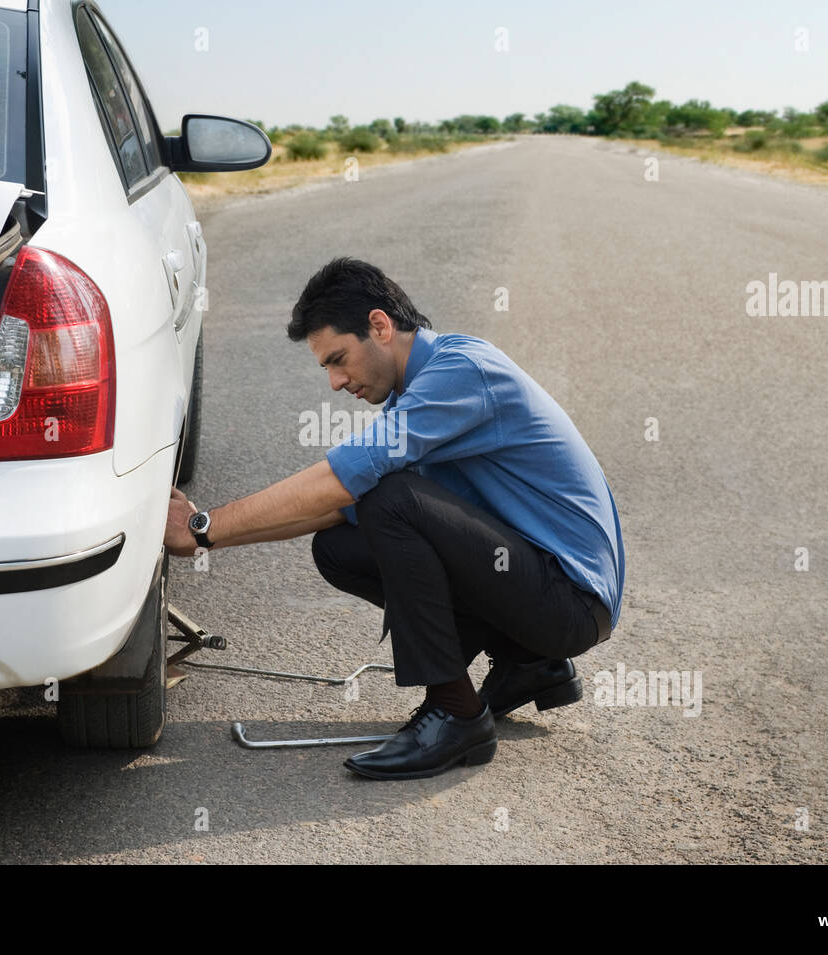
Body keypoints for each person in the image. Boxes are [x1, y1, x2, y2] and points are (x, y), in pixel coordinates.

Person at [164, 257, 625, 780]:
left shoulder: (461, 373)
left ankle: (456, 714)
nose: (336, 382)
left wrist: (204, 527)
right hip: (538, 591)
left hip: (571, 599)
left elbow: (343, 479)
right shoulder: (415, 394)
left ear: (380, 327)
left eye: (339, 359)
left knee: (390, 499)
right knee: (337, 545)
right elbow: (335, 503)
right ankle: (528, 663)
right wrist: (206, 535)